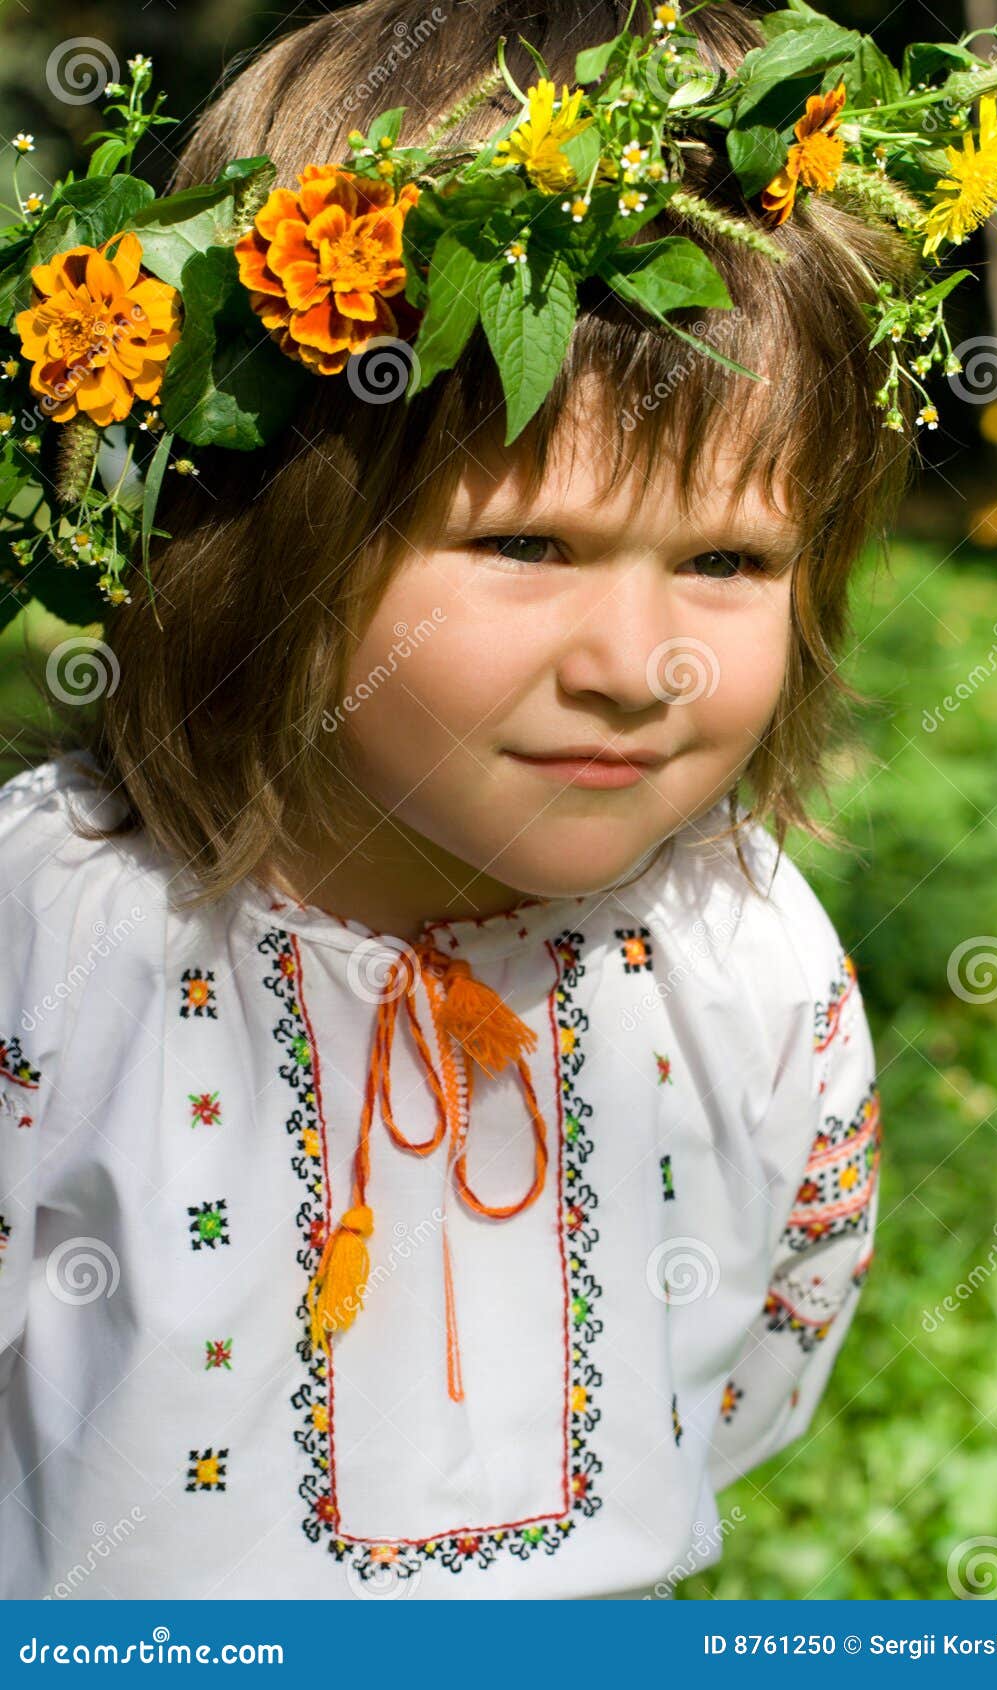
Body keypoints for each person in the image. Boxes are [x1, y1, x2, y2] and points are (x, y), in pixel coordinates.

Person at [0, 0, 908, 1599]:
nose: (641, 665)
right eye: (527, 546)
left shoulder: (746, 955)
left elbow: (770, 1340)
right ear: (263, 526)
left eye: (729, 562)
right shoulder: (58, 943)